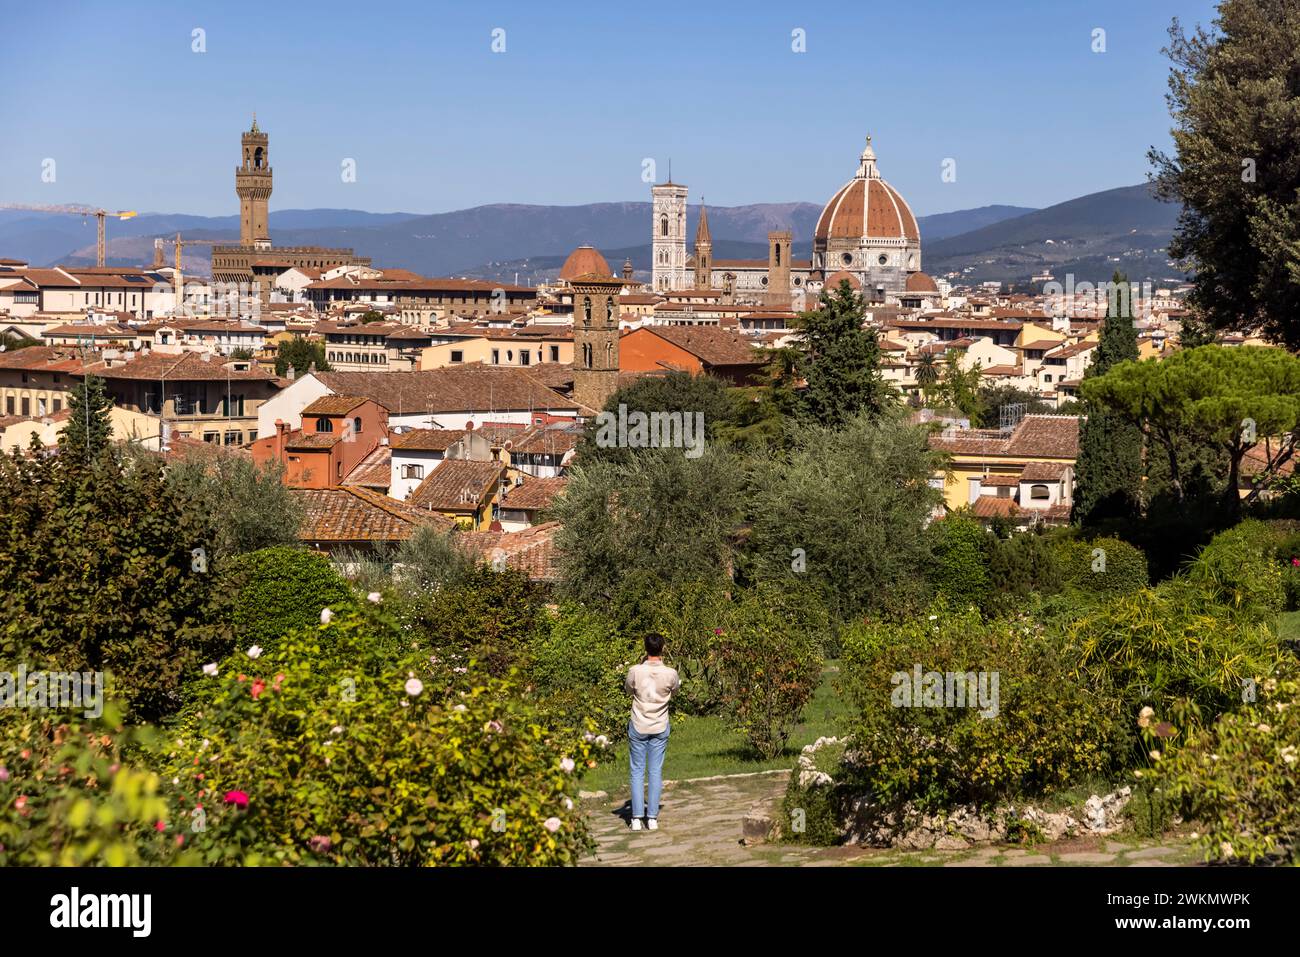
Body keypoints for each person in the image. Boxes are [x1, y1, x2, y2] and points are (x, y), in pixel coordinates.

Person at [624, 632, 679, 831]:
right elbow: (674, 692)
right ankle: (652, 817)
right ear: (662, 648)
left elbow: (629, 690)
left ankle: (637, 818)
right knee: (655, 771)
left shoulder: (635, 671)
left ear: (645, 648)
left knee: (637, 770)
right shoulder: (670, 673)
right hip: (659, 723)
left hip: (639, 723)